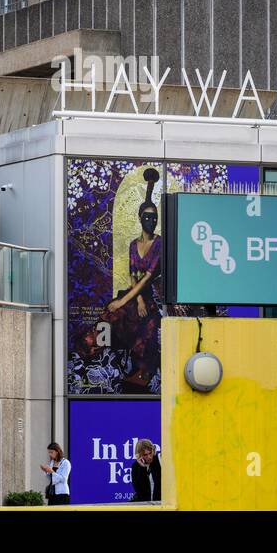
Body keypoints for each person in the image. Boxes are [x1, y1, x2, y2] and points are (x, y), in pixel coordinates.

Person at [105, 168, 164, 393]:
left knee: (149, 327)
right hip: (137, 293)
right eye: (147, 217)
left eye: (154, 218)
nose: (151, 221)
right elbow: (133, 275)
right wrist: (136, 300)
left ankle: (144, 371)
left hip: (154, 294)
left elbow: (147, 277)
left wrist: (126, 301)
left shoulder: (159, 243)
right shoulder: (132, 244)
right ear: (140, 219)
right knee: (112, 314)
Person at [131, 438, 161, 502]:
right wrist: (142, 467)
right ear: (139, 455)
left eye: (150, 453)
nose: (149, 457)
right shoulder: (136, 467)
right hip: (144, 502)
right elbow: (139, 491)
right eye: (145, 455)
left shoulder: (159, 460)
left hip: (159, 501)